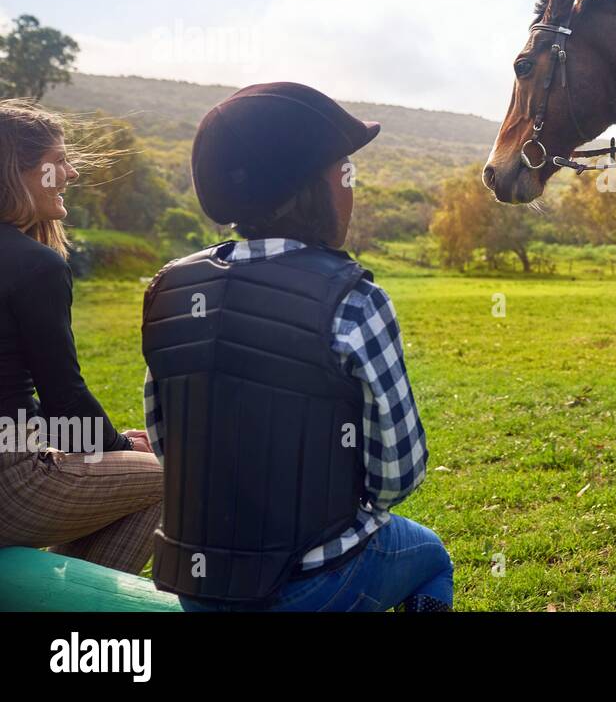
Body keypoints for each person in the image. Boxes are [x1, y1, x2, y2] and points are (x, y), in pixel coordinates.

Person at [141, 82, 452, 611]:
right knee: (431, 558)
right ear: (311, 186)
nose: (352, 185)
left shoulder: (169, 289)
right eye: (345, 171)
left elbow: (165, 439)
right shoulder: (355, 299)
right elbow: (398, 476)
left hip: (196, 586)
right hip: (312, 584)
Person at [0, 100, 163, 573]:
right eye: (57, 162)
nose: (70, 173)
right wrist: (123, 448)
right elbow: (64, 403)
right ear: (18, 172)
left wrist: (107, 443)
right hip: (12, 485)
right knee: (175, 478)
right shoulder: (35, 264)